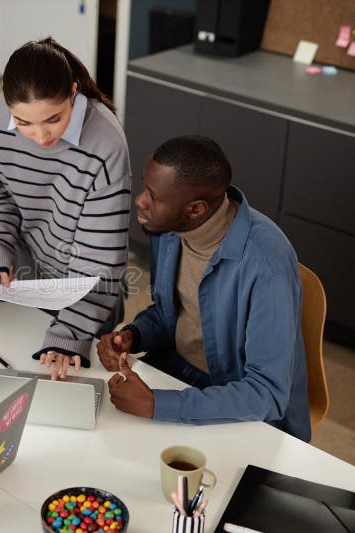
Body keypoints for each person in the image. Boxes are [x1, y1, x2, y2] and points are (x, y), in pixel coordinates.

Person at [97, 135, 310, 441]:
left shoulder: (267, 265)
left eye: (153, 197)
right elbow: (171, 310)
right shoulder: (170, 230)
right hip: (175, 369)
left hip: (238, 403)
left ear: (195, 209)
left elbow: (267, 393)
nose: (140, 200)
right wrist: (134, 335)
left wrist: (160, 405)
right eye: (145, 187)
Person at [0, 37, 131, 379]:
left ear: (73, 92)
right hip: (28, 282)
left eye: (53, 119)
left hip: (90, 293)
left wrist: (68, 334)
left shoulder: (105, 142)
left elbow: (100, 257)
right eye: (24, 122)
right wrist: (0, 254)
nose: (41, 136)